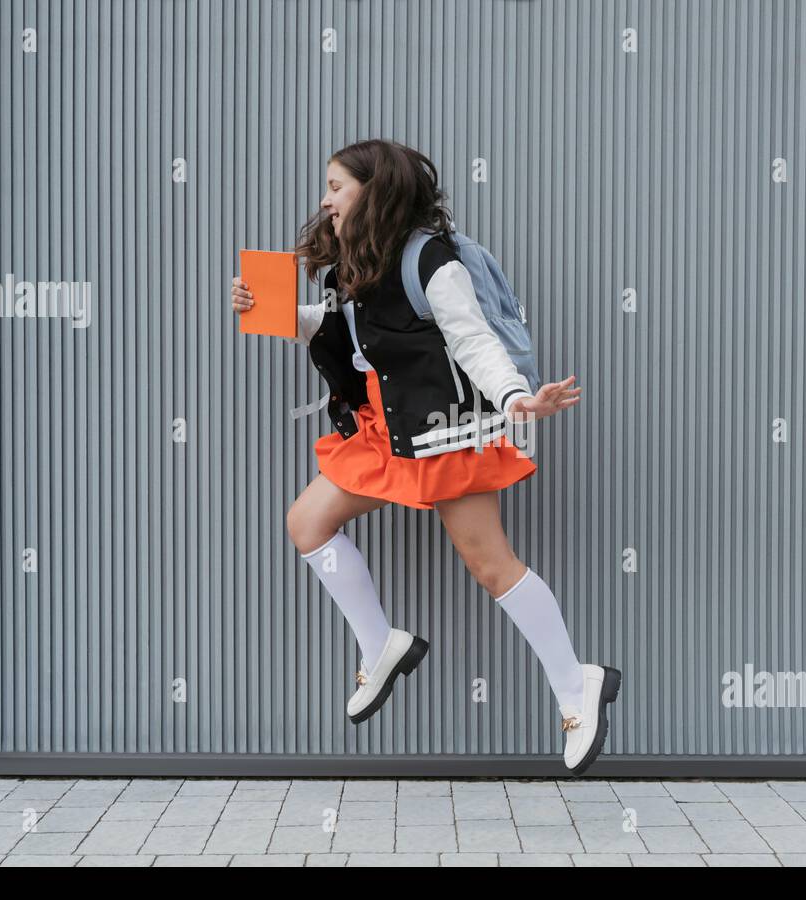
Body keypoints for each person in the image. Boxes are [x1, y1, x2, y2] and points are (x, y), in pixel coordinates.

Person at [230, 138, 620, 775]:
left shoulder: (432, 262)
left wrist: (517, 399)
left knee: (492, 566)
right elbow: (345, 331)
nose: (326, 199)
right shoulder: (359, 263)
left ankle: (577, 684)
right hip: (386, 433)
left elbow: (473, 340)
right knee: (307, 522)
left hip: (444, 434)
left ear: (373, 189)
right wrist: (272, 311)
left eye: (336, 186)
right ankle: (381, 644)